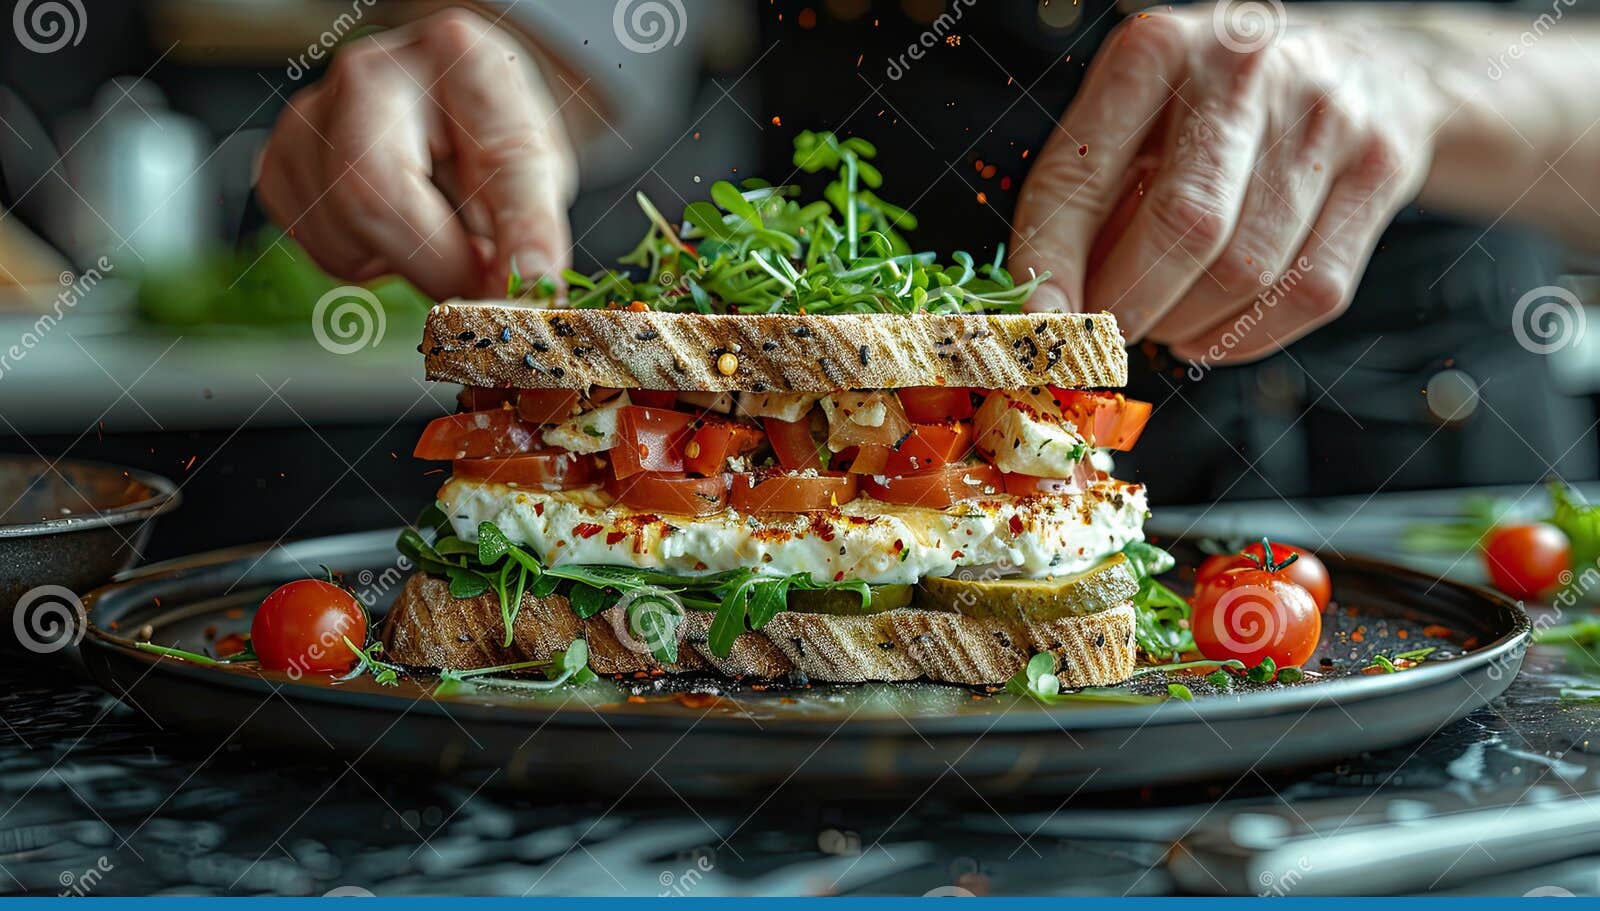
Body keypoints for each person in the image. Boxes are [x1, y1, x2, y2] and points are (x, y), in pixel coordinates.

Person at [257, 2, 1600, 500]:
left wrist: (1422, 76)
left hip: (1422, 483)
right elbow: (591, 37)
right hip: (830, 487)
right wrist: (475, 82)